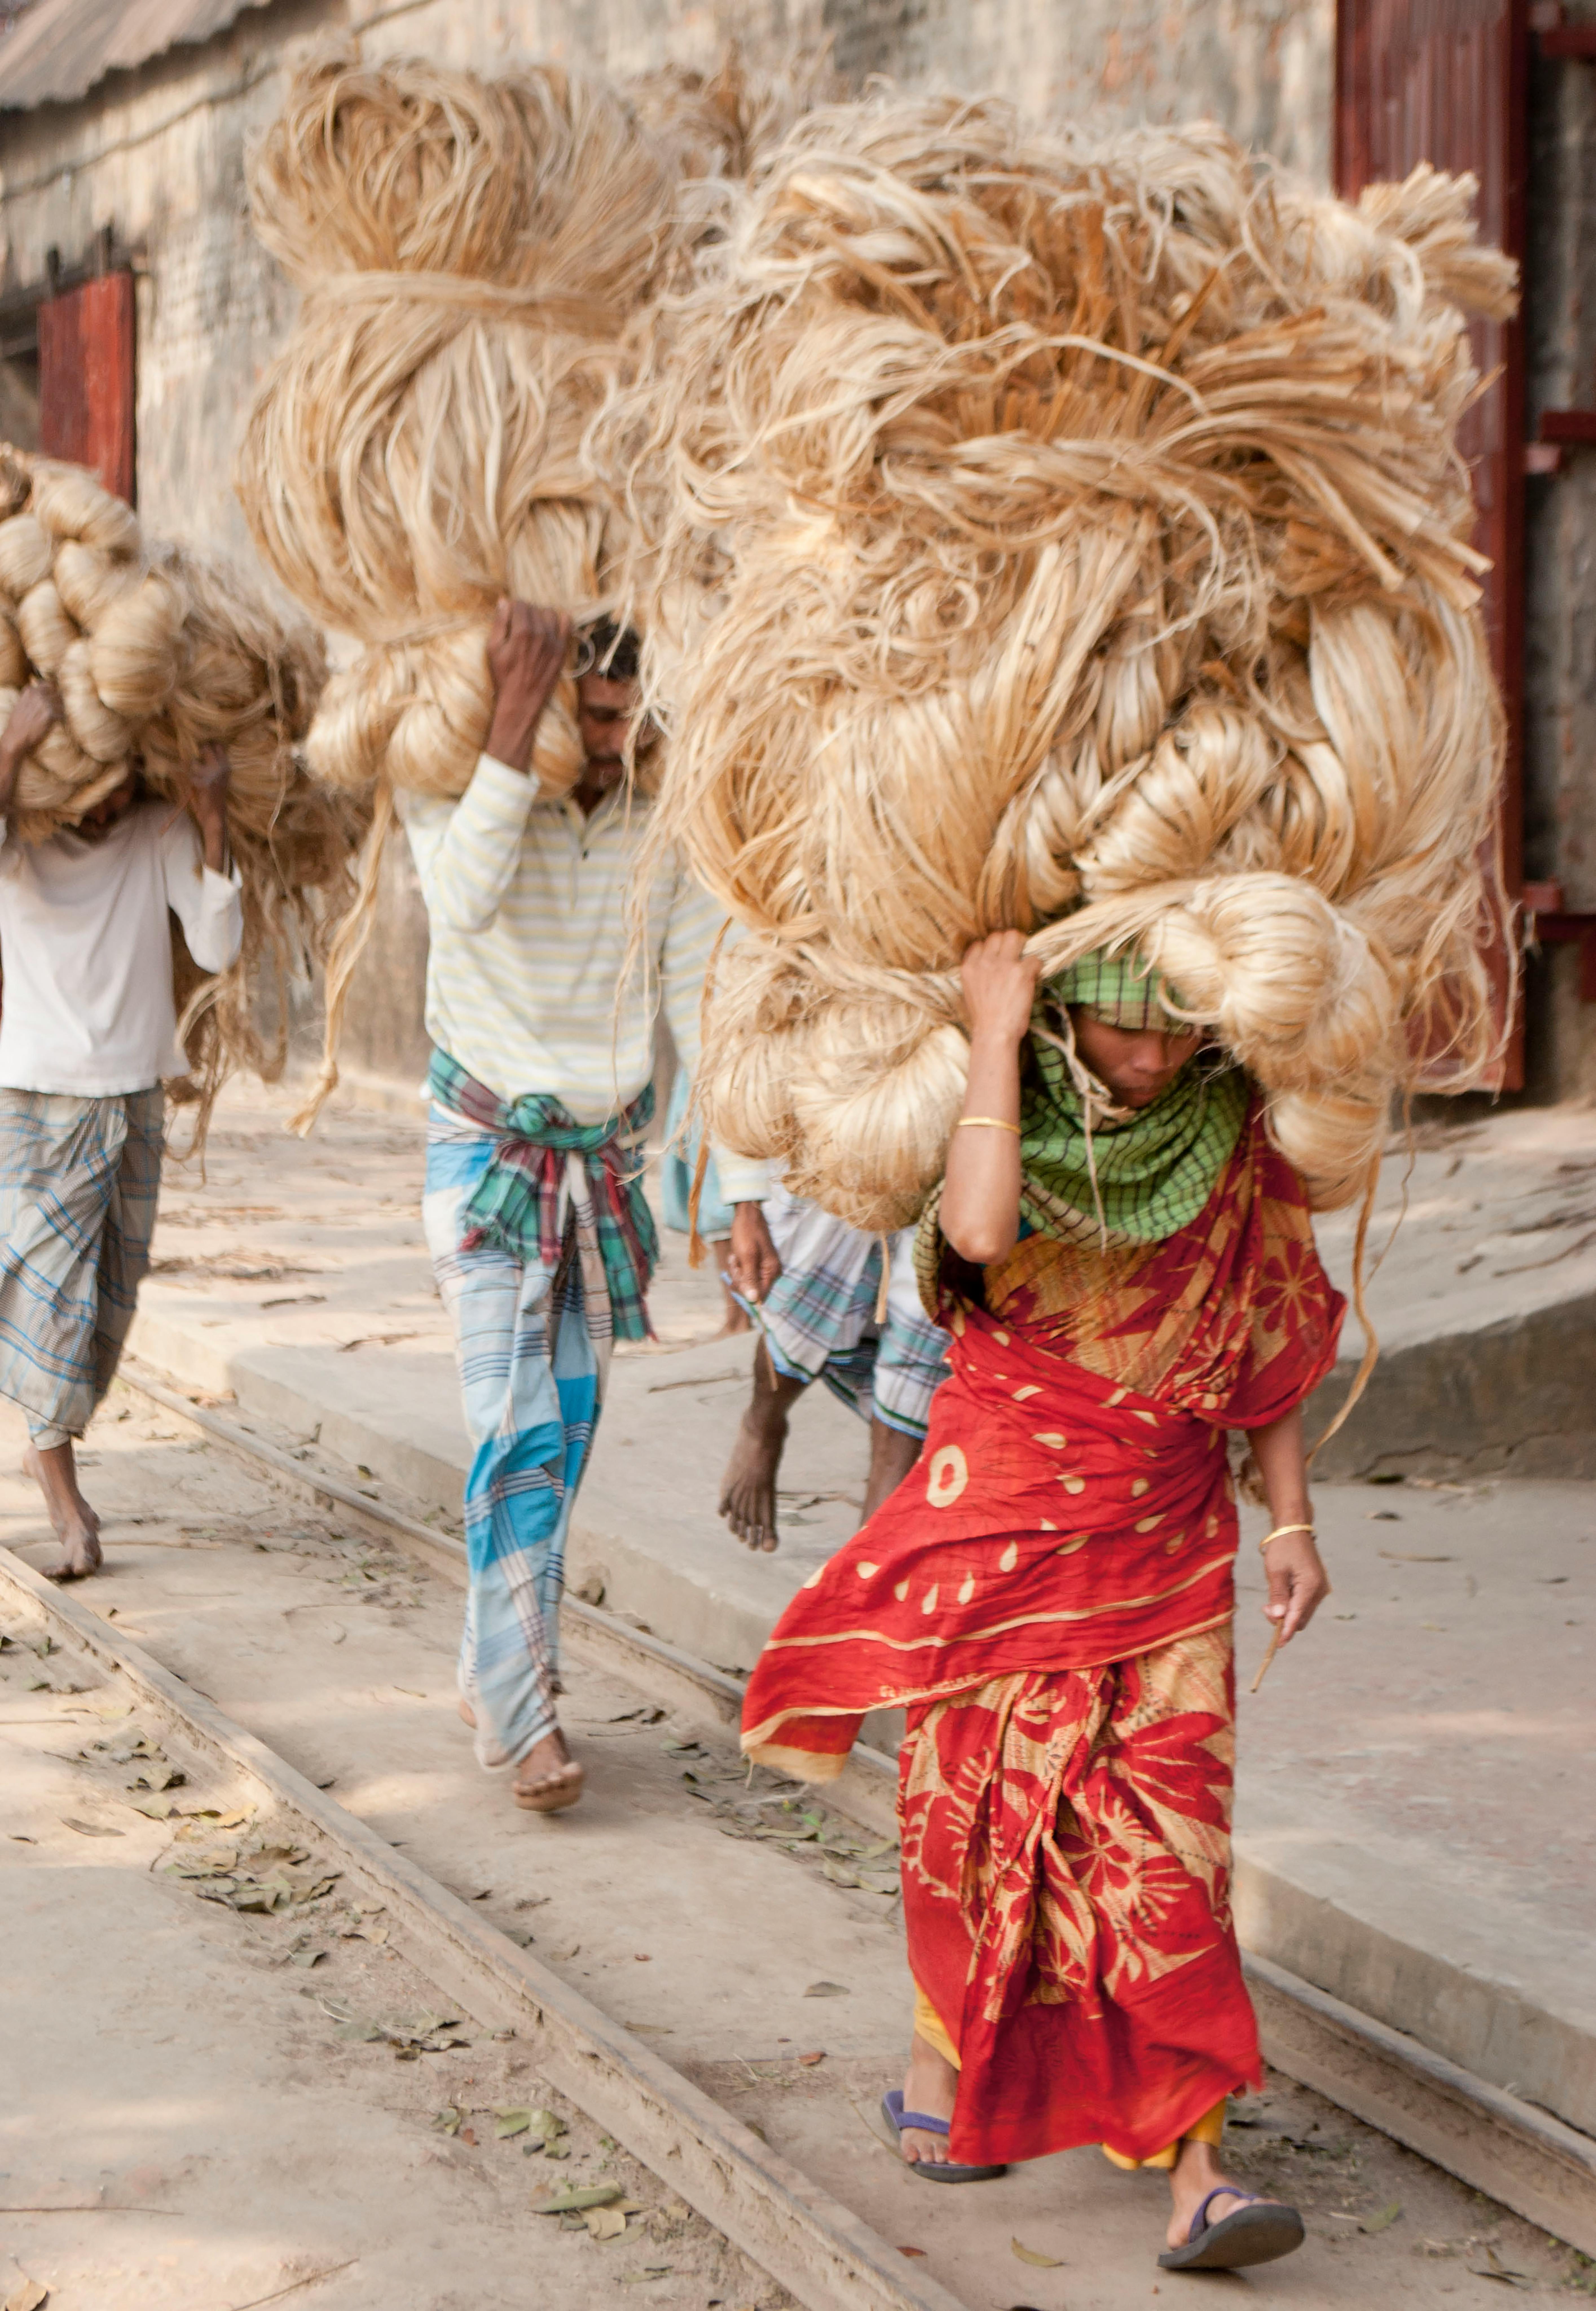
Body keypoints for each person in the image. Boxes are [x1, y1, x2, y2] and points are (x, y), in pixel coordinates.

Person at [740, 936, 1344, 2275]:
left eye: (1181, 1029)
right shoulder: (985, 1085)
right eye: (1127, 1030)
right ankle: (940, 2063)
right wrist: (995, 1028)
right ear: (1068, 1011)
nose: (1154, 1055)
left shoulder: (1234, 1125)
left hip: (1172, 1537)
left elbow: (1263, 1324)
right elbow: (975, 1229)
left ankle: (1198, 2170)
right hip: (1004, 1516)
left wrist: (1290, 1517)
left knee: (1170, 1842)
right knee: (975, 1812)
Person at [406, 605, 770, 1816]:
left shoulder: (658, 820)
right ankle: (526, 1718)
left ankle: (484, 1667)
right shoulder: (442, 767)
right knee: (511, 1424)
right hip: (487, 1162)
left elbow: (697, 993)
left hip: (602, 1171)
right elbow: (457, 903)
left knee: (558, 1438)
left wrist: (737, 1192)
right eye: (594, 716)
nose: (615, 740)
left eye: (631, 717)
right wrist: (513, 722)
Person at [0, 681, 239, 1580]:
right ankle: (65, 1499)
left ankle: (45, 1442)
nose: (103, 805)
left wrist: (209, 815)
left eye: (116, 782)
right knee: (53, 1303)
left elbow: (215, 948)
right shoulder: (19, 835)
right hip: (35, 1096)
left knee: (107, 1304)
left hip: (134, 1094)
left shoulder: (155, 830)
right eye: (86, 784)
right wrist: (14, 750)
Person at [717, 1193, 949, 1550]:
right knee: (800, 1310)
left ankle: (866, 1568)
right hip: (838, 1172)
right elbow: (742, 1137)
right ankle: (763, 1423)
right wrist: (746, 1206)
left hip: (951, 1190)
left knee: (918, 1358)